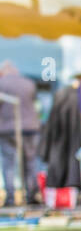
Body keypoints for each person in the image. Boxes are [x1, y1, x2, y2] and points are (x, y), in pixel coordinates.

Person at [0, 62, 39, 207]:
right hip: (30, 127)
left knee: (8, 163)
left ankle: (10, 198)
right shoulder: (29, 83)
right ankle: (32, 194)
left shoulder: (2, 83)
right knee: (30, 162)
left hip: (7, 128)